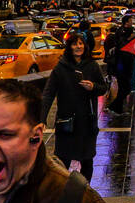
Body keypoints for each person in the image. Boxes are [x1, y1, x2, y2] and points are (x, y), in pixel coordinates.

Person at [41, 33, 108, 179]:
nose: (78, 47)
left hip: (87, 122)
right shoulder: (60, 68)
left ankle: (84, 192)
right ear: (69, 47)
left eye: (80, 43)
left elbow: (103, 88)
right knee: (62, 162)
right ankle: (62, 192)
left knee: (87, 161)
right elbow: (48, 94)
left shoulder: (92, 66)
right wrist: (42, 118)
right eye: (74, 44)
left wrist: (93, 87)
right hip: (67, 122)